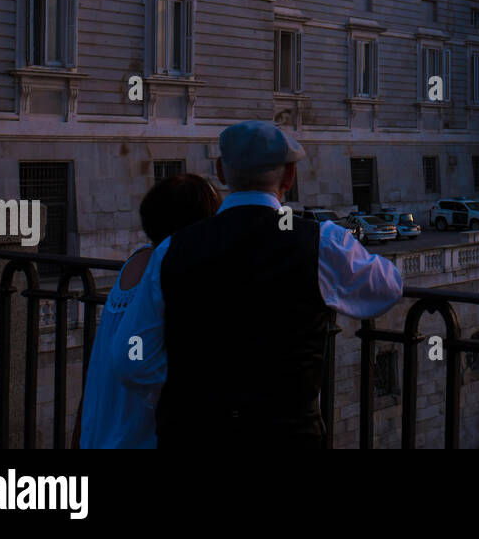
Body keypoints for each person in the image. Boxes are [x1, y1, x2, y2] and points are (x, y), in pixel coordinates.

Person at [116, 121, 403, 448]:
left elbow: (130, 361)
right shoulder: (320, 241)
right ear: (290, 176)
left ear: (222, 172)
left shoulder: (172, 248)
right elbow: (387, 287)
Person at [78, 172, 221, 448]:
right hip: (136, 435)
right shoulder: (168, 268)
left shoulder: (139, 259)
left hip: (105, 431)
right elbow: (134, 359)